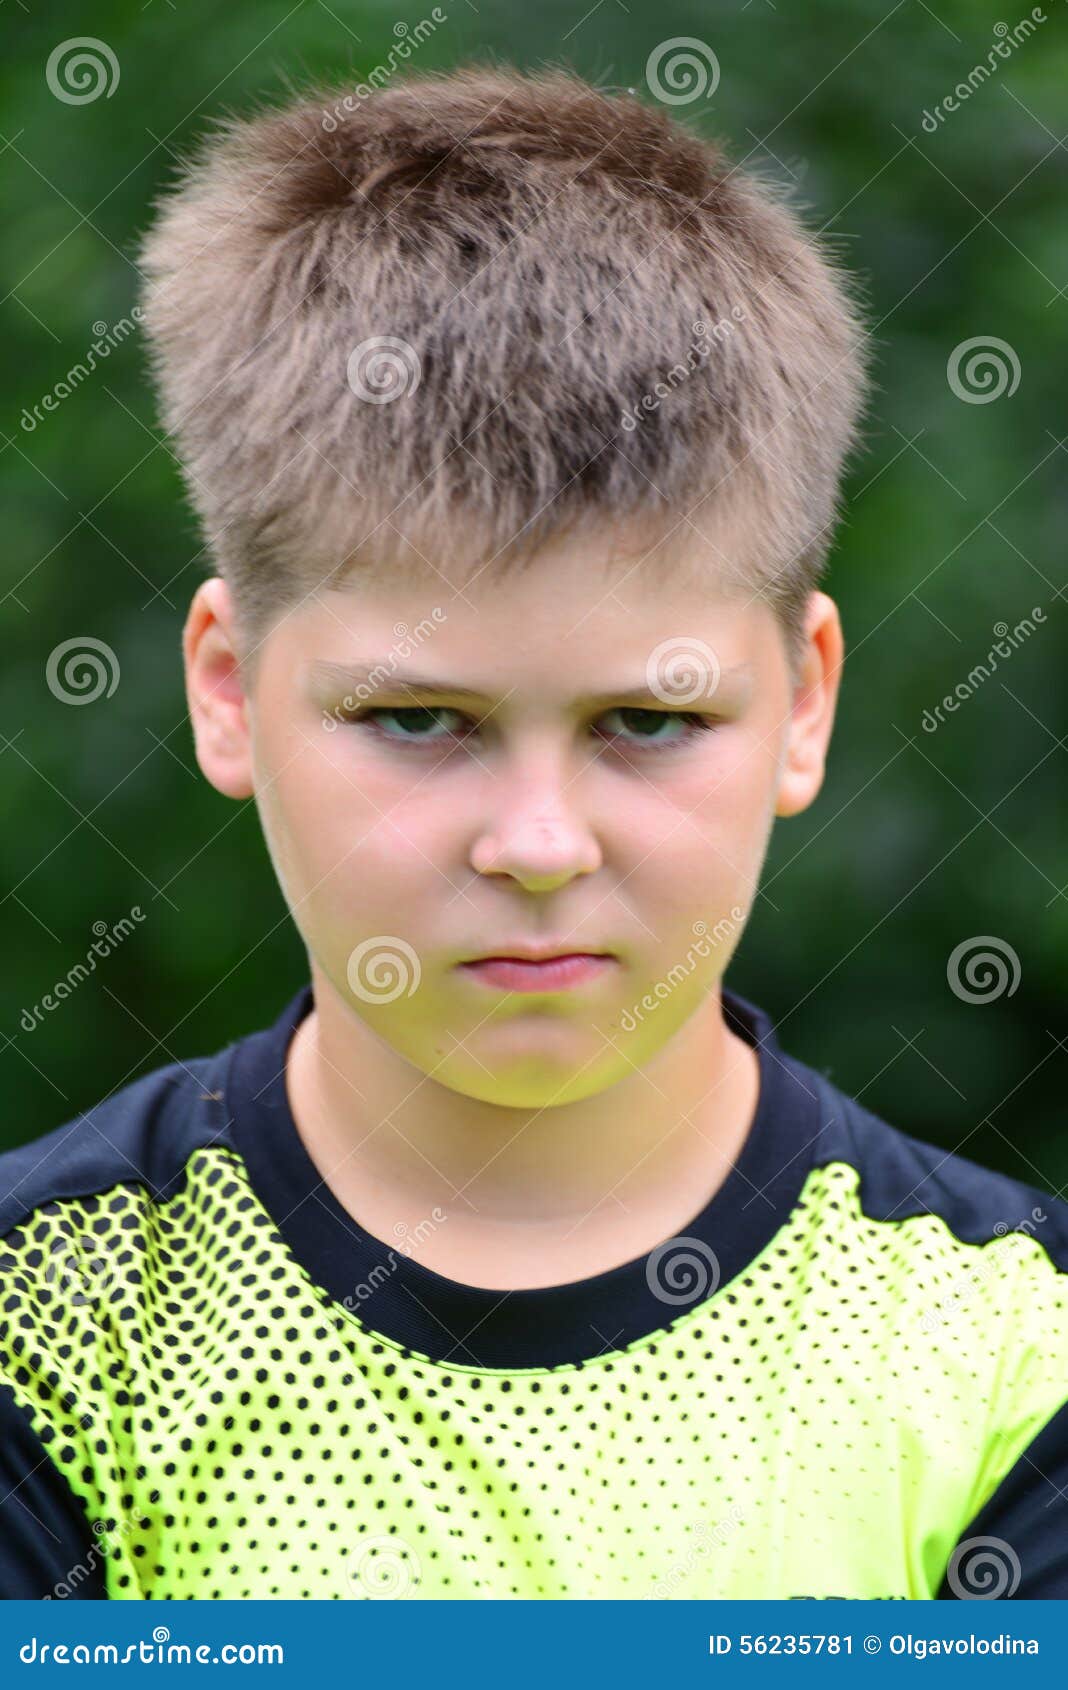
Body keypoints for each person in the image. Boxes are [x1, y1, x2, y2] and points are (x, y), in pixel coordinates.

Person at [2, 64, 1064, 1601]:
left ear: (804, 702)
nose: (540, 844)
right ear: (228, 692)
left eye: (648, 722)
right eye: (420, 721)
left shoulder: (1018, 1360)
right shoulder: (50, 1334)